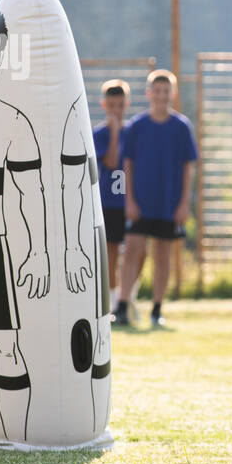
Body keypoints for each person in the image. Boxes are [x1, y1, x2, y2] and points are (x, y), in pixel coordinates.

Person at [113, 69, 197, 328]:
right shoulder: (137, 127)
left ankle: (157, 309)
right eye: (156, 91)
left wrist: (183, 203)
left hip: (169, 205)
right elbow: (127, 163)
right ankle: (123, 306)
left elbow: (188, 167)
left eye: (166, 91)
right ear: (149, 93)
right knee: (133, 251)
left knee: (163, 256)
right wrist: (129, 201)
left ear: (173, 93)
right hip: (141, 203)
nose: (161, 96)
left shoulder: (182, 127)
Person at [93, 79, 128, 301]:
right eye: (112, 105)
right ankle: (114, 301)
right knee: (112, 251)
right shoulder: (99, 135)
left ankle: (128, 296)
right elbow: (112, 161)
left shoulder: (133, 132)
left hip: (131, 202)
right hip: (109, 202)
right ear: (104, 105)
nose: (116, 111)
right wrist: (115, 133)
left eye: (120, 105)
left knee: (139, 251)